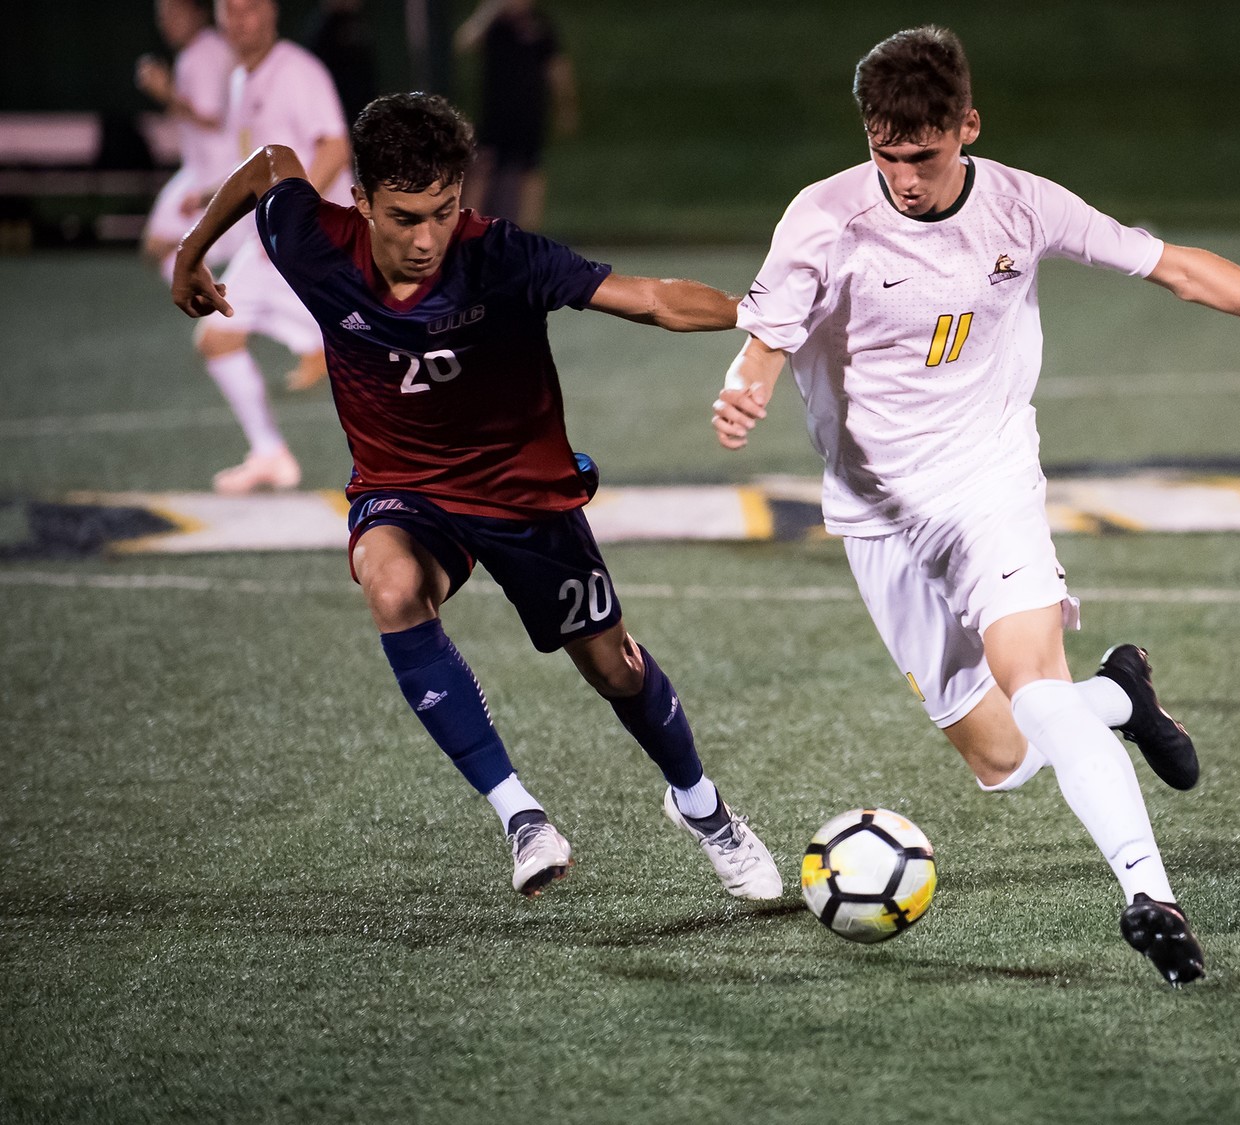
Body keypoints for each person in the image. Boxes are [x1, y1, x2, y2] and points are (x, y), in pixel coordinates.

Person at [711, 27, 1240, 984]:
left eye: (924, 155)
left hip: (990, 481)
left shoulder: (1021, 205)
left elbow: (1174, 265)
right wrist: (747, 383)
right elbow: (767, 333)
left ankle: (1149, 895)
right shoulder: (823, 217)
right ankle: (1121, 692)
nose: (906, 178)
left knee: (1036, 685)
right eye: (887, 155)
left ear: (967, 125)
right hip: (878, 517)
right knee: (1001, 759)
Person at [169, 93, 781, 903]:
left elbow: (650, 298)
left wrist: (767, 318)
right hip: (405, 489)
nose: (427, 238)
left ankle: (703, 809)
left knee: (615, 666)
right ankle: (521, 815)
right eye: (405, 217)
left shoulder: (503, 257)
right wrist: (190, 250)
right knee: (389, 585)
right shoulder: (314, 243)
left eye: (445, 211)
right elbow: (272, 167)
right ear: (362, 202)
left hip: (524, 492)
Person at [195, 0, 348, 493]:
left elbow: (334, 146)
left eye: (250, 9)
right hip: (275, 240)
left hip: (313, 235)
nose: (240, 21)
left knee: (380, 345)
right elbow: (256, 162)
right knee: (218, 335)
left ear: (273, 13)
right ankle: (269, 452)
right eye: (229, 11)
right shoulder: (243, 78)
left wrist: (294, 213)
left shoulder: (298, 71)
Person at [136, 0, 240, 276]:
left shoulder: (205, 53)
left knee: (175, 253)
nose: (166, 21)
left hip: (218, 172)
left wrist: (165, 92)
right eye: (162, 15)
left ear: (198, 13)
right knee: (161, 249)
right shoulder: (194, 53)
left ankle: (226, 307)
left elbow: (211, 117)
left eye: (174, 12)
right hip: (199, 169)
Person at [454, 0, 578, 230]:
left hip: (530, 114)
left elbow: (557, 66)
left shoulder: (540, 23)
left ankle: (527, 235)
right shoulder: (494, 23)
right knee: (482, 168)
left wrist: (565, 107)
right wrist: (488, 10)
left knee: (531, 171)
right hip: (496, 113)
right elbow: (464, 42)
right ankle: (465, 231)